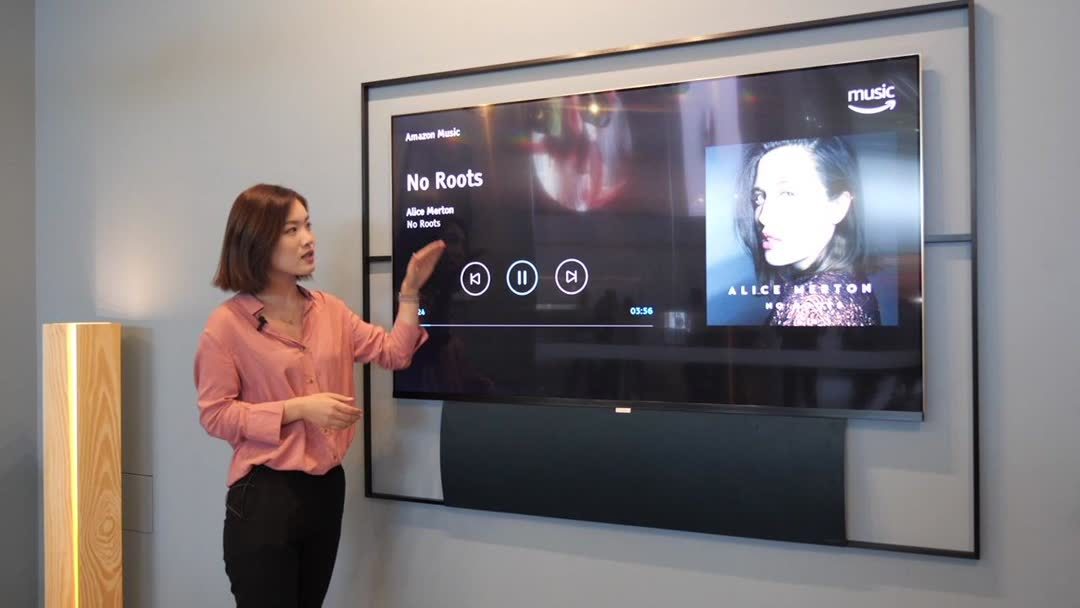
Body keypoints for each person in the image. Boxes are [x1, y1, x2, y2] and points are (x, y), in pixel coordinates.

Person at [193, 184, 445, 607]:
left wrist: (409, 291)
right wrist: (297, 409)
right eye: (291, 230)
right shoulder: (226, 326)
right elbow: (215, 415)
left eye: (307, 226)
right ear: (256, 240)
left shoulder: (331, 310)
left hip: (326, 490)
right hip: (265, 495)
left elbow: (394, 353)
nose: (308, 239)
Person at [735, 136, 880, 326]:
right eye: (759, 197)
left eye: (787, 193)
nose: (762, 217)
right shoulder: (846, 280)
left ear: (838, 206)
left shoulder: (810, 307)